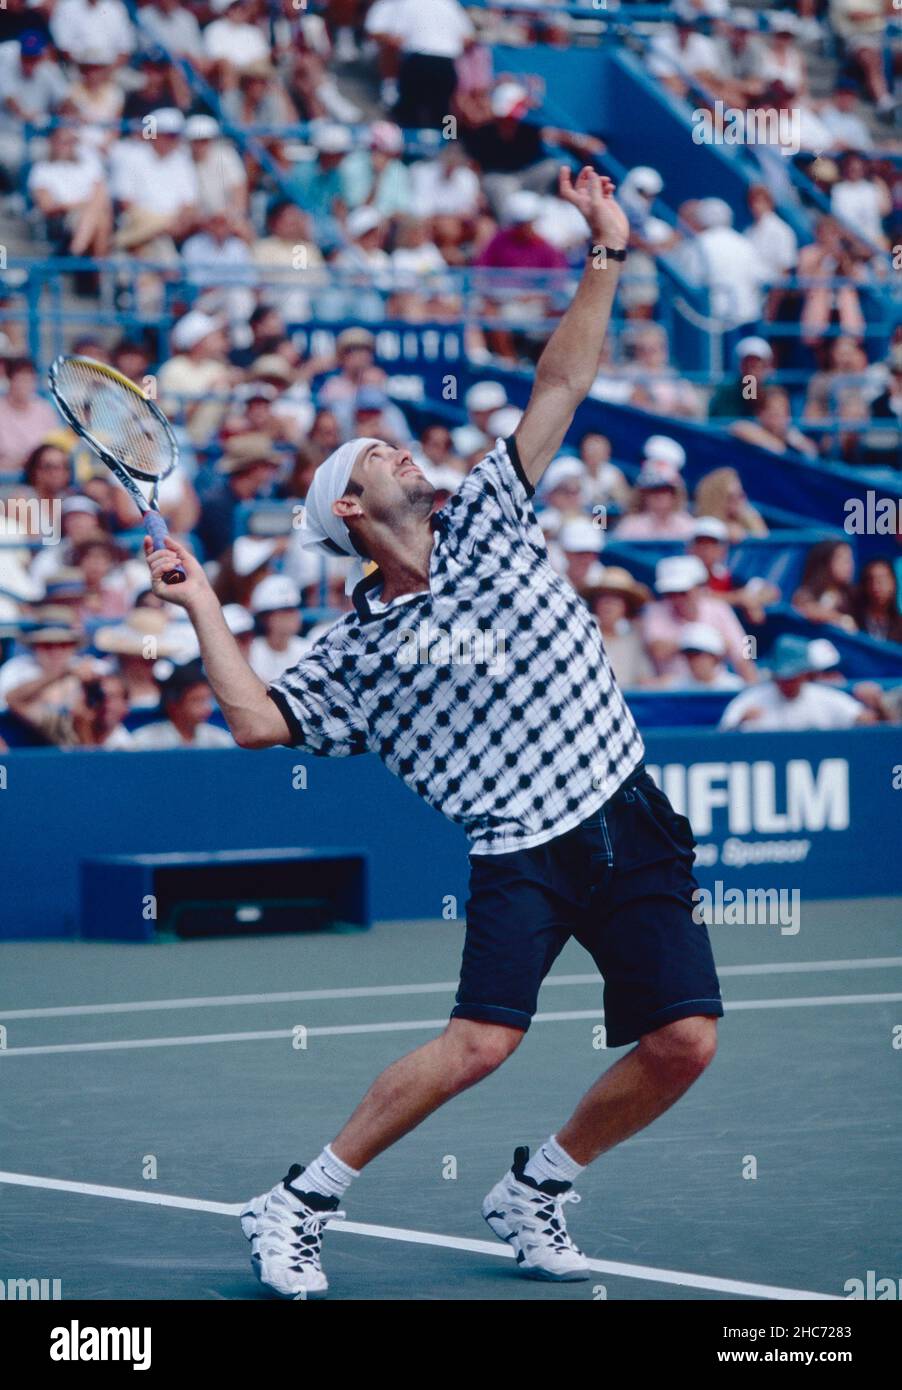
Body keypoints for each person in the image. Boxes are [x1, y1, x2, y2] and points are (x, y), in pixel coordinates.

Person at [144, 167, 722, 1299]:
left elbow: (561, 379)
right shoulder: (351, 652)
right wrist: (204, 604)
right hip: (522, 851)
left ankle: (539, 1184)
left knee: (684, 1042)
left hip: (629, 810)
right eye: (377, 458)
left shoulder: (491, 515)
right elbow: (257, 721)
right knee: (480, 1043)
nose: (404, 452)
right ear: (348, 514)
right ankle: (299, 1200)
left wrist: (604, 250)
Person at [641, 554, 756, 683]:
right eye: (670, 593)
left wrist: (752, 689)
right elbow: (658, 650)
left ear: (700, 588)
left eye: (683, 592)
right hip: (671, 692)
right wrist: (708, 641)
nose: (677, 599)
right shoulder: (654, 611)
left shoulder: (719, 609)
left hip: (714, 687)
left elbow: (744, 655)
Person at [720, 634, 872, 730]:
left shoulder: (825, 698)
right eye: (782, 677)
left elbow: (866, 721)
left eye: (792, 677)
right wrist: (739, 725)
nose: (786, 682)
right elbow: (721, 739)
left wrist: (877, 705)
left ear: (805, 674)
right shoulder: (751, 700)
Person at [129, 657, 234, 748]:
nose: (206, 708)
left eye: (207, 700)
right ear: (173, 704)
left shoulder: (220, 740)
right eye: (196, 700)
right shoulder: (144, 741)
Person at [579, 564, 654, 689]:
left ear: (626, 607)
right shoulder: (583, 637)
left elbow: (644, 679)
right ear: (595, 603)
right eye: (603, 597)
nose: (609, 604)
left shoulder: (633, 640)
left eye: (616, 599)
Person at [0, 358, 58, 474]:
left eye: (29, 380)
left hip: (41, 475)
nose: (24, 385)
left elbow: (53, 449)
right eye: (20, 380)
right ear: (10, 380)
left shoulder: (45, 409)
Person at [792, 540, 857, 633]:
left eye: (850, 559)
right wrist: (840, 619)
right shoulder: (806, 592)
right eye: (843, 560)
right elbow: (805, 608)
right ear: (826, 561)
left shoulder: (852, 597)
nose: (850, 565)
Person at [851, 558, 902, 643]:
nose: (876, 585)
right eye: (871, 579)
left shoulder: (899, 624)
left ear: (893, 583)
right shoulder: (853, 617)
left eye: (882, 579)